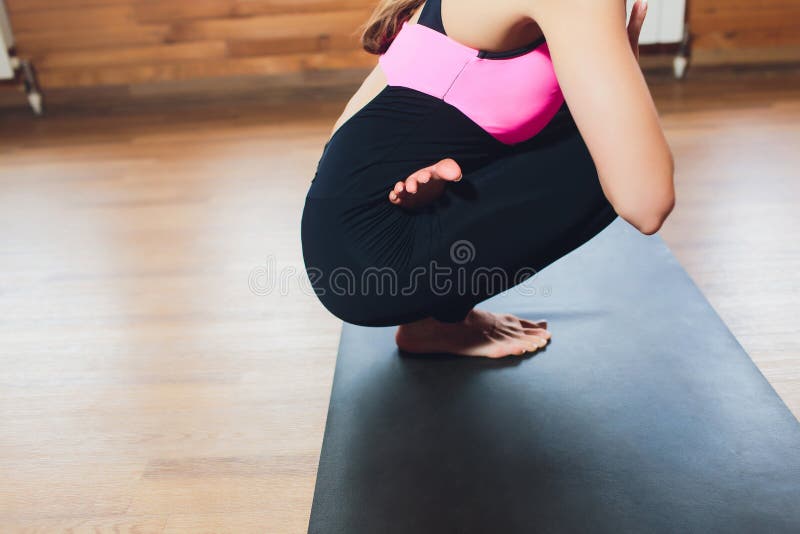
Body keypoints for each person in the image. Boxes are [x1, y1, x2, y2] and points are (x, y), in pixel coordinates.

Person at [300, 0, 675, 358]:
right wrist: (624, 64)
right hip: (366, 263)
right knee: (602, 159)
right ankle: (435, 322)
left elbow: (355, 123)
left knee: (584, 124)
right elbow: (646, 202)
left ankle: (436, 320)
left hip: (344, 229)